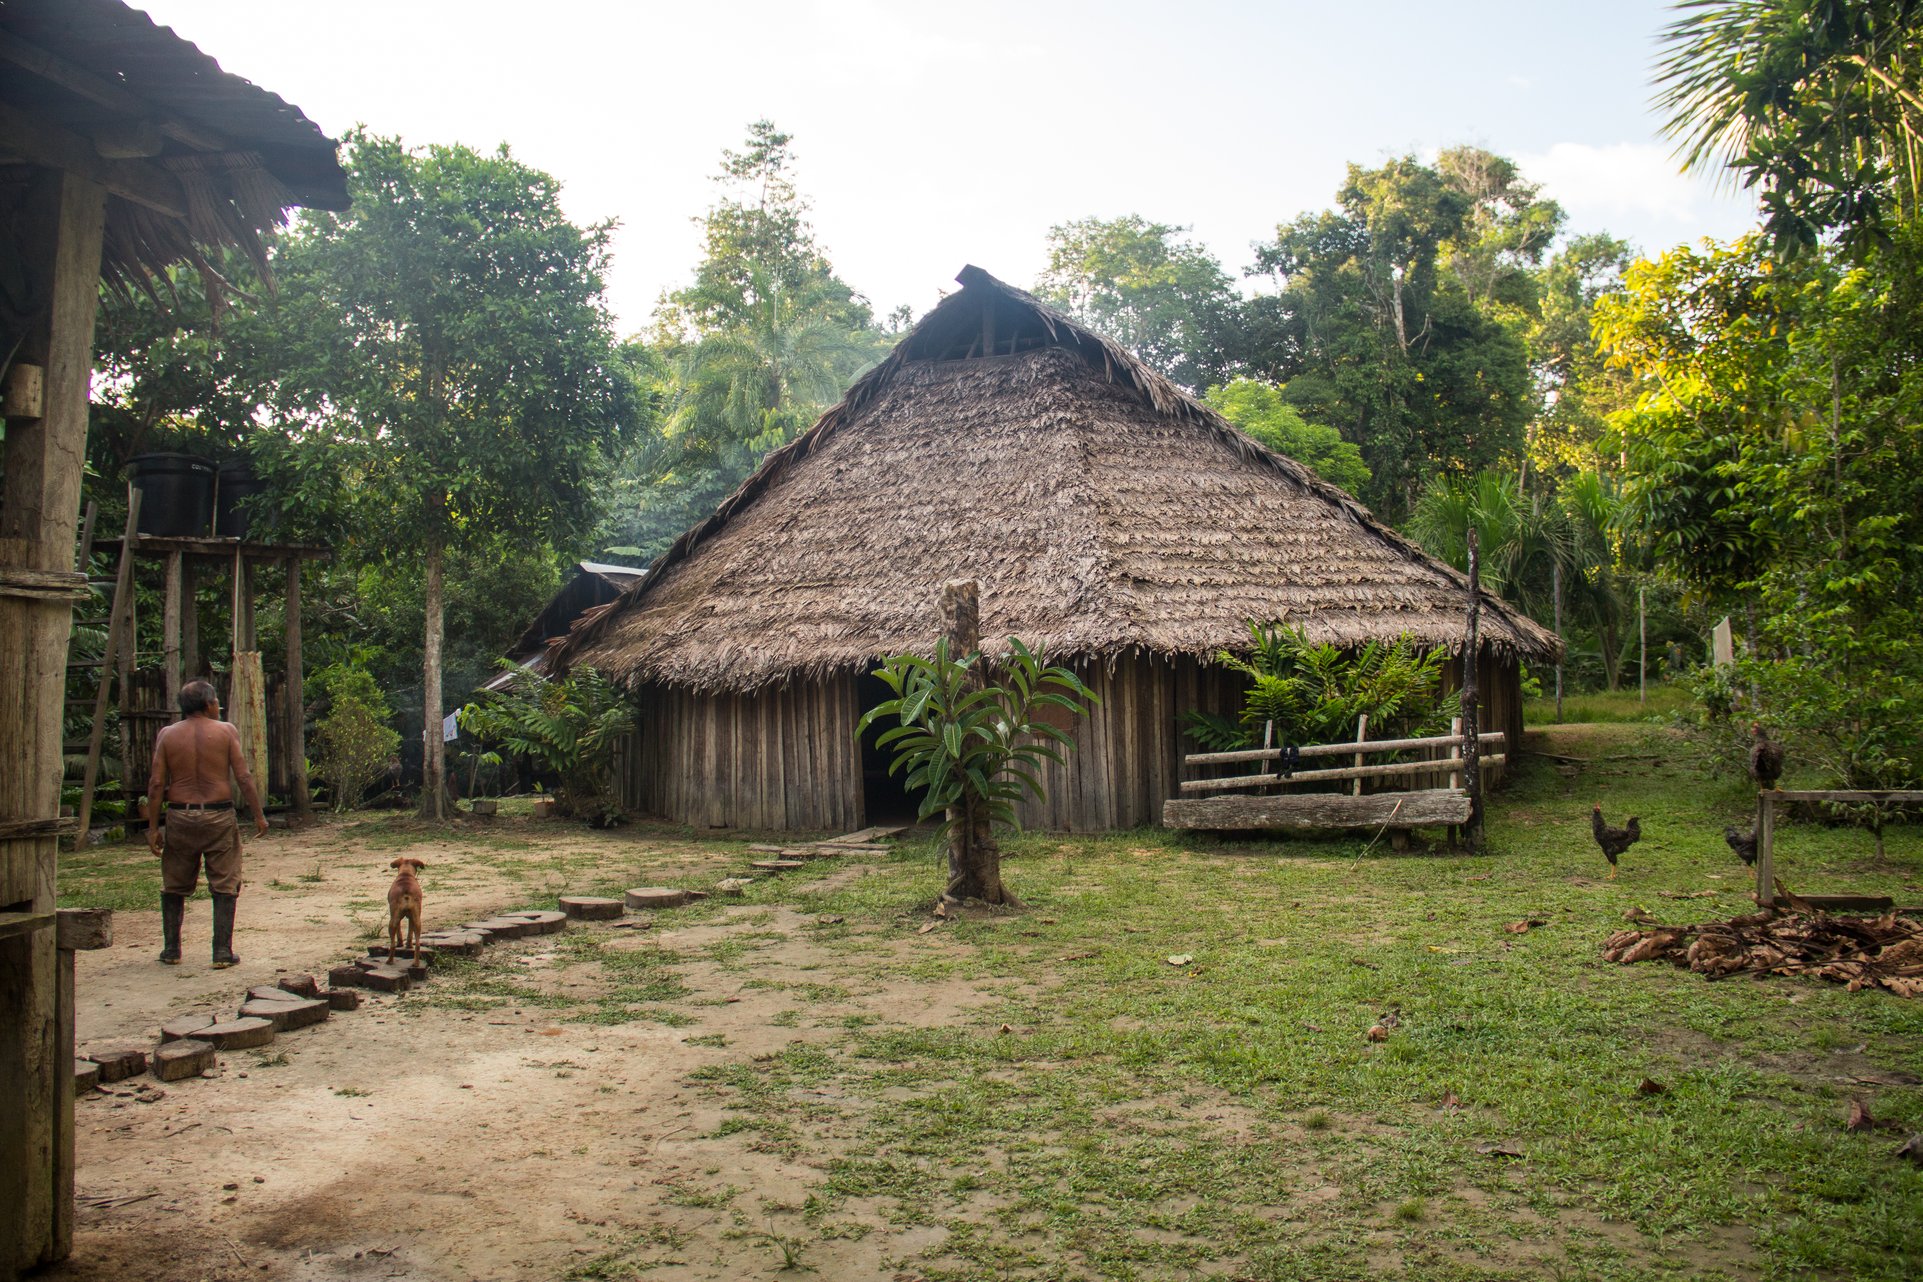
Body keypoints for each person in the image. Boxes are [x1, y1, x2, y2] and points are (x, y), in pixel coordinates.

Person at [147, 679, 268, 967]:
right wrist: (258, 815)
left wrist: (152, 827)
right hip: (218, 815)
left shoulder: (167, 734)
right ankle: (222, 952)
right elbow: (243, 777)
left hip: (180, 815)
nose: (218, 707)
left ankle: (171, 950)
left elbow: (156, 783)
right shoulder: (225, 731)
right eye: (216, 702)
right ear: (208, 704)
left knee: (174, 883)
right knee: (225, 882)